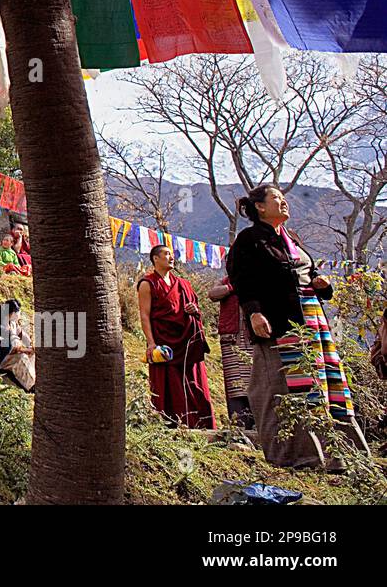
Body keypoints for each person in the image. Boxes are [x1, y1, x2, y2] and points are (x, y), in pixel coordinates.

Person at [227, 184, 368, 470]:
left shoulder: (291, 238)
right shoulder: (249, 239)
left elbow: (309, 271)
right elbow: (242, 280)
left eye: (283, 198)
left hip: (311, 319)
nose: (284, 203)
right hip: (278, 322)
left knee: (323, 384)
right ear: (260, 207)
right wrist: (254, 313)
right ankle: (295, 457)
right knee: (282, 386)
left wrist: (321, 283)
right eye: (276, 199)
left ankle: (340, 456)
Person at [137, 245, 215, 429]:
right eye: (166, 254)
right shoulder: (147, 284)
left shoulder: (183, 284)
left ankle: (200, 423)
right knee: (167, 385)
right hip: (165, 344)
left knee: (194, 382)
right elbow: (144, 315)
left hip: (186, 341)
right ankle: (170, 424)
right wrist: (151, 343)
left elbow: (195, 310)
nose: (171, 257)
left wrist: (194, 311)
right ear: (155, 258)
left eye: (172, 254)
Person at [207, 273, 254, 429]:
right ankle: (239, 425)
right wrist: (233, 286)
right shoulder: (226, 281)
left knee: (257, 383)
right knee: (235, 385)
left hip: (255, 338)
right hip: (231, 338)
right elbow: (212, 294)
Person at [0, 298, 36, 392]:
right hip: (1, 358)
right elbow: (9, 348)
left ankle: (36, 380)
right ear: (10, 314)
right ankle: (31, 386)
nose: (19, 315)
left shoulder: (13, 323)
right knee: (21, 357)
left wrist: (31, 344)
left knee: (33, 354)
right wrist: (26, 350)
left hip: (13, 352)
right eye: (17, 313)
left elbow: (23, 336)